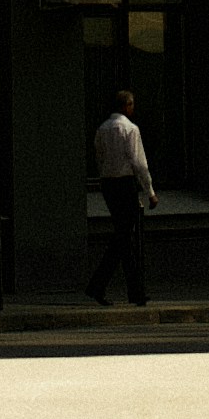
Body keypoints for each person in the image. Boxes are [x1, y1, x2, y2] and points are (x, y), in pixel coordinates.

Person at [89, 96, 155, 311]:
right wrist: (150, 192)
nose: (133, 107)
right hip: (125, 184)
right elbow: (139, 162)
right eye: (132, 104)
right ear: (126, 106)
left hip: (108, 185)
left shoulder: (102, 129)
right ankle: (102, 286)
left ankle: (132, 291)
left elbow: (99, 157)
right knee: (124, 237)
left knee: (123, 237)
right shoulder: (131, 129)